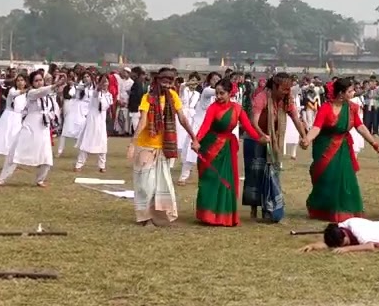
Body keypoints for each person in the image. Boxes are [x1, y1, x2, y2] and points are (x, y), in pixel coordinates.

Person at [302, 77, 379, 222]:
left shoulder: (352, 108)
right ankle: (323, 208)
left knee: (345, 179)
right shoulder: (326, 108)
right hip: (325, 147)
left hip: (343, 147)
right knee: (327, 178)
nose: (353, 93)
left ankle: (345, 209)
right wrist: (307, 139)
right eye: (350, 91)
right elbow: (316, 127)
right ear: (341, 93)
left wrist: (374, 144)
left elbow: (361, 127)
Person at [129, 68, 198, 226]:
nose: (167, 85)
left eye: (170, 82)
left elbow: (182, 119)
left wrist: (194, 138)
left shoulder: (173, 96)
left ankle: (157, 218)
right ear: (157, 81)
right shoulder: (147, 98)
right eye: (164, 81)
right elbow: (143, 121)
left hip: (164, 147)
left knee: (161, 184)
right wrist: (132, 143)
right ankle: (145, 218)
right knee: (146, 185)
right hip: (146, 146)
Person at [194, 80, 264, 226]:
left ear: (230, 93)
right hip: (210, 146)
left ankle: (223, 216)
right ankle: (207, 214)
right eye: (216, 93)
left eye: (222, 93)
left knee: (225, 181)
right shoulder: (213, 108)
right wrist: (196, 140)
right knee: (210, 179)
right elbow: (205, 126)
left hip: (226, 149)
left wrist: (260, 138)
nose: (218, 96)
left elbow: (248, 127)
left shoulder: (237, 109)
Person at [243, 73, 309, 223]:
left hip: (274, 141)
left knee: (272, 174)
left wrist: (304, 136)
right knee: (255, 174)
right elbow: (254, 120)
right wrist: (262, 135)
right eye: (284, 89)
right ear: (274, 86)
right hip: (255, 138)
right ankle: (254, 208)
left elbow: (296, 119)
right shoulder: (262, 97)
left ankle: (270, 208)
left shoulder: (287, 100)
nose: (287, 91)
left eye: (289, 89)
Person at [0, 70, 61, 187]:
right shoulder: (31, 93)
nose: (39, 82)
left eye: (41, 80)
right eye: (36, 81)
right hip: (30, 125)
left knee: (46, 155)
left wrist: (50, 116)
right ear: (32, 83)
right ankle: (1, 179)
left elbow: (55, 109)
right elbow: (40, 92)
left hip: (43, 127)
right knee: (16, 151)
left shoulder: (49, 96)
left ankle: (40, 179)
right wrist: (55, 85)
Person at [75, 73, 114, 173]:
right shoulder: (95, 92)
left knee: (103, 142)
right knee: (87, 141)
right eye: (103, 81)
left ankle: (102, 166)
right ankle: (79, 164)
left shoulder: (109, 95)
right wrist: (99, 85)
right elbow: (96, 92)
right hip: (92, 119)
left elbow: (107, 107)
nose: (105, 83)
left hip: (101, 120)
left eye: (106, 81)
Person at [0, 73, 28, 170]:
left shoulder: (27, 95)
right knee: (0, 138)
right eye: (18, 80)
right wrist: (27, 90)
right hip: (8, 116)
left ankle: (12, 163)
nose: (20, 82)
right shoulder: (12, 90)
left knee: (14, 141)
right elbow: (14, 94)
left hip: (18, 118)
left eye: (22, 80)